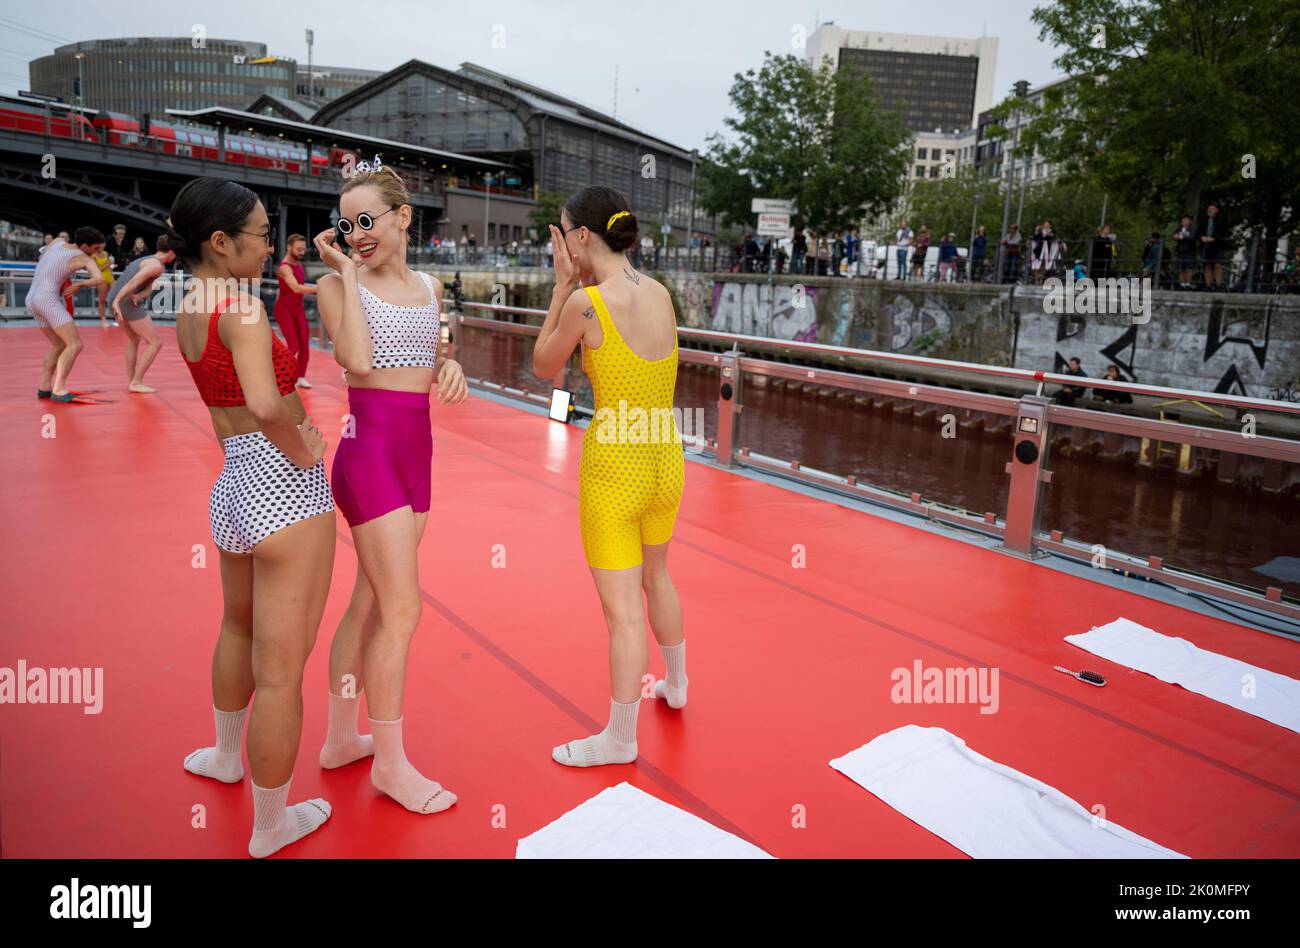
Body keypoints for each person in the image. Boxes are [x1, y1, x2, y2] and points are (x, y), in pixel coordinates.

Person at [168, 177, 336, 858]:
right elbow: (269, 405)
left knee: (237, 625)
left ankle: (225, 754)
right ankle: (272, 826)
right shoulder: (238, 310)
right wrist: (307, 451)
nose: (270, 247)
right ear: (220, 241)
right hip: (281, 487)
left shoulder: (188, 307)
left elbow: (232, 402)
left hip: (233, 484)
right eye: (263, 234)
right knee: (283, 672)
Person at [313, 161, 468, 815]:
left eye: (367, 221)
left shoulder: (432, 288)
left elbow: (431, 356)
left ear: (405, 217)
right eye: (347, 226)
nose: (357, 234)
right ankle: (391, 765)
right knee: (403, 610)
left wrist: (451, 365)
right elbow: (357, 360)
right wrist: (349, 275)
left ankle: (341, 739)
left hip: (416, 453)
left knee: (371, 604)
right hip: (368, 454)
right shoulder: (333, 284)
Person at [531, 186, 687, 767]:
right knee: (660, 576)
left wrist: (561, 286)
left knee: (622, 612)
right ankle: (678, 682)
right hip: (664, 458)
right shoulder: (663, 294)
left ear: (580, 238)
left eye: (563, 231)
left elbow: (544, 364)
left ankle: (621, 737)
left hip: (614, 470)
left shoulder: (586, 303)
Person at [27, 228, 105, 401]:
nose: (98, 253)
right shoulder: (82, 258)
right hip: (47, 299)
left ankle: (45, 386)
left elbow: (46, 261)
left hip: (31, 298)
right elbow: (99, 279)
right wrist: (81, 285)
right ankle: (59, 389)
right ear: (85, 246)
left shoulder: (56, 242)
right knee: (75, 344)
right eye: (96, 249)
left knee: (58, 344)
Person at [107, 234, 175, 393]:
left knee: (134, 338)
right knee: (155, 342)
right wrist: (118, 301)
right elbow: (133, 282)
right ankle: (136, 382)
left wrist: (137, 296)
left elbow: (148, 287)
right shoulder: (155, 266)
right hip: (122, 301)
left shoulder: (151, 261)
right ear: (171, 251)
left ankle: (132, 381)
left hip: (117, 299)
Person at [273, 234, 318, 388]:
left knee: (305, 343)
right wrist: (319, 288)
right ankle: (278, 373)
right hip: (284, 309)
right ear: (289, 247)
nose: (301, 252)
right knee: (294, 345)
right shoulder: (284, 267)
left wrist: (312, 288)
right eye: (298, 249)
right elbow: (295, 287)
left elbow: (301, 284)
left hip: (298, 309)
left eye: (303, 249)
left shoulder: (299, 265)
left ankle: (301, 377)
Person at [1200, 203, 1227, 290]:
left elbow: (1224, 233)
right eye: (1208, 208)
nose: (1209, 210)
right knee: (1207, 265)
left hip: (1217, 246)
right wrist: (1202, 237)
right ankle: (1208, 285)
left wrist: (1214, 238)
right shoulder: (1204, 221)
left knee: (1217, 265)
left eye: (1212, 208)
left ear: (1216, 210)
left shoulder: (1221, 221)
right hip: (1206, 246)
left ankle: (1219, 285)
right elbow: (1198, 233)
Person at [93, 244, 116, 326]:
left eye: (102, 245)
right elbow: (97, 269)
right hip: (101, 278)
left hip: (110, 276)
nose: (101, 246)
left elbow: (109, 267)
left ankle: (116, 318)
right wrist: (108, 264)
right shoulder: (94, 256)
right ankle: (103, 320)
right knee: (102, 299)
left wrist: (111, 267)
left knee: (115, 297)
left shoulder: (106, 253)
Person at [1172, 215, 1197, 288]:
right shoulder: (1179, 228)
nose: (1185, 222)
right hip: (1180, 251)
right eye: (1183, 220)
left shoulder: (1193, 229)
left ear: (1190, 221)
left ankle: (1188, 283)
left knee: (1188, 267)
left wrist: (1181, 237)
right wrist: (1180, 236)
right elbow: (1173, 236)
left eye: (1186, 220)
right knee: (1181, 268)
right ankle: (1182, 283)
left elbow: (1191, 237)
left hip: (1190, 251)